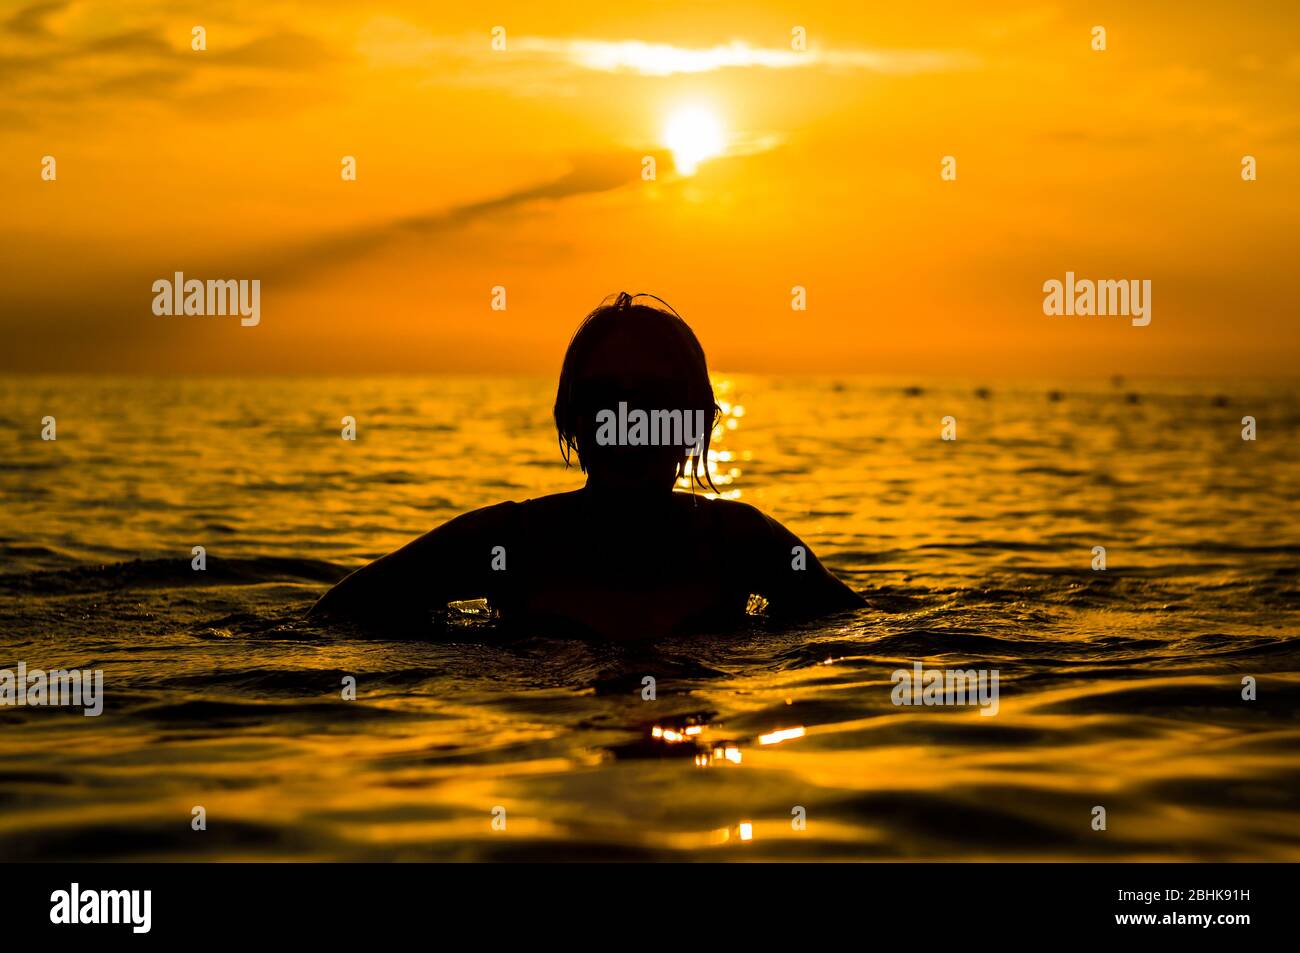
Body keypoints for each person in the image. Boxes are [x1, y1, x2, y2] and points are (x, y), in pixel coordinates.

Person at [310, 293, 864, 638]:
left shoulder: (743, 541)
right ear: (571, 419)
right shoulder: (508, 540)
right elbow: (334, 619)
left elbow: (862, 632)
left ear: (695, 422)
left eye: (654, 397)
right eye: (605, 398)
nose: (628, 419)